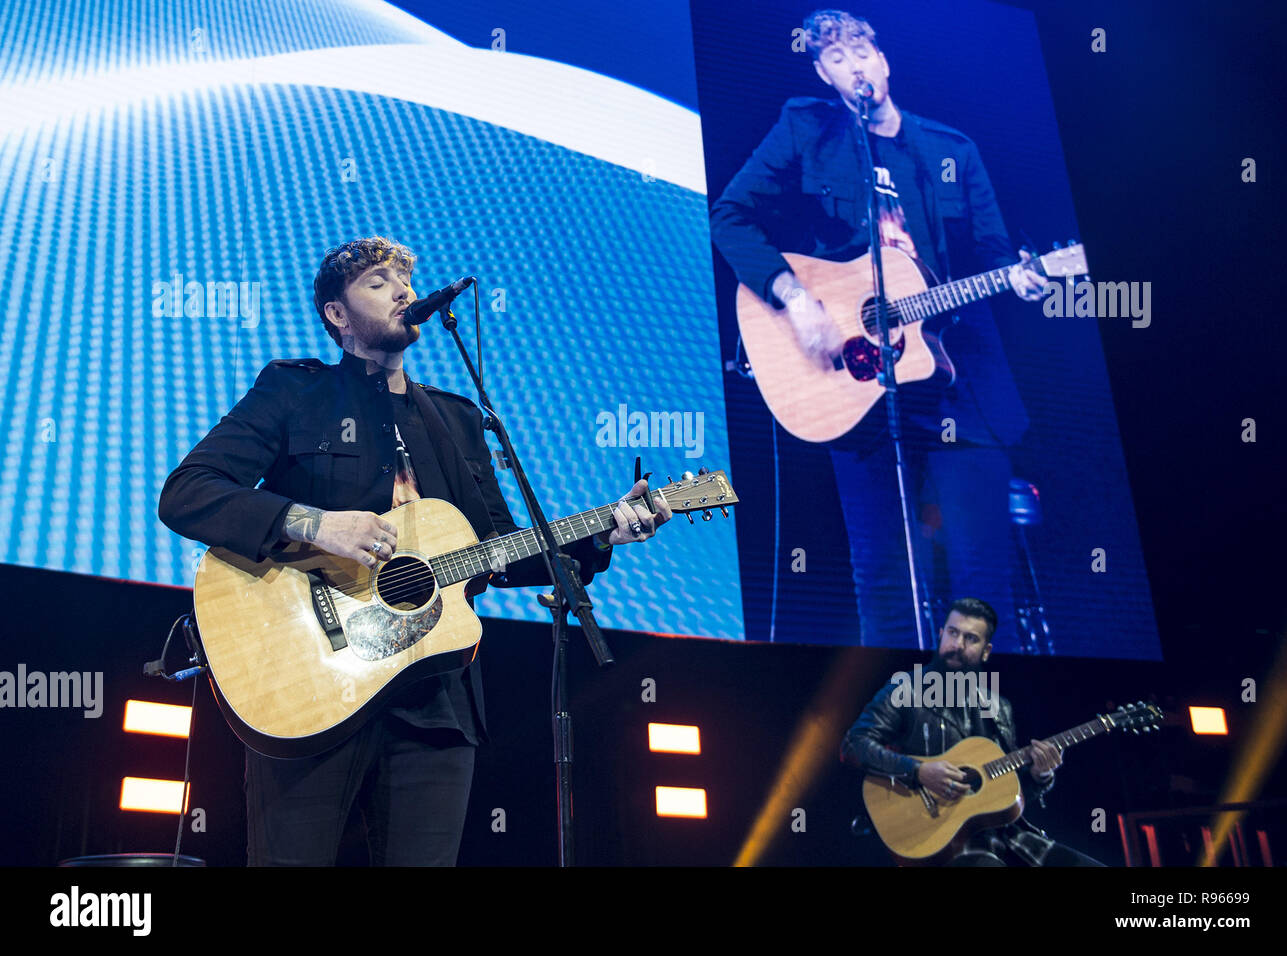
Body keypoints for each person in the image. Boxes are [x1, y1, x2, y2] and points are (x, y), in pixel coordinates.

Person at [158, 235, 670, 866]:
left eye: (404, 277)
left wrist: (602, 532)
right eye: (378, 281)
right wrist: (314, 524)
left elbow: (498, 551)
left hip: (437, 703)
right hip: (308, 687)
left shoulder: (454, 420)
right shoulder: (294, 393)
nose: (403, 290)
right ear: (337, 315)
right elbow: (187, 492)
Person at [710, 9, 1048, 647]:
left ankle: (978, 734)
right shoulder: (806, 130)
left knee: (980, 589)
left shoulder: (950, 150)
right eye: (835, 58)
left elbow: (996, 254)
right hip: (856, 382)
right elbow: (730, 215)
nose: (853, 65)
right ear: (822, 73)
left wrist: (1023, 277)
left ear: (883, 59)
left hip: (956, 384)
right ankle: (896, 731)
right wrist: (795, 300)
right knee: (884, 580)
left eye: (860, 51)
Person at [841, 597, 1103, 865]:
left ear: (986, 651)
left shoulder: (998, 708)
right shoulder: (904, 689)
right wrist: (918, 771)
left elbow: (1005, 795)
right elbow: (854, 744)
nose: (958, 645)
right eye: (953, 633)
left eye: (971, 638)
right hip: (947, 841)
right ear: (941, 635)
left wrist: (1039, 775)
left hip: (1010, 836)